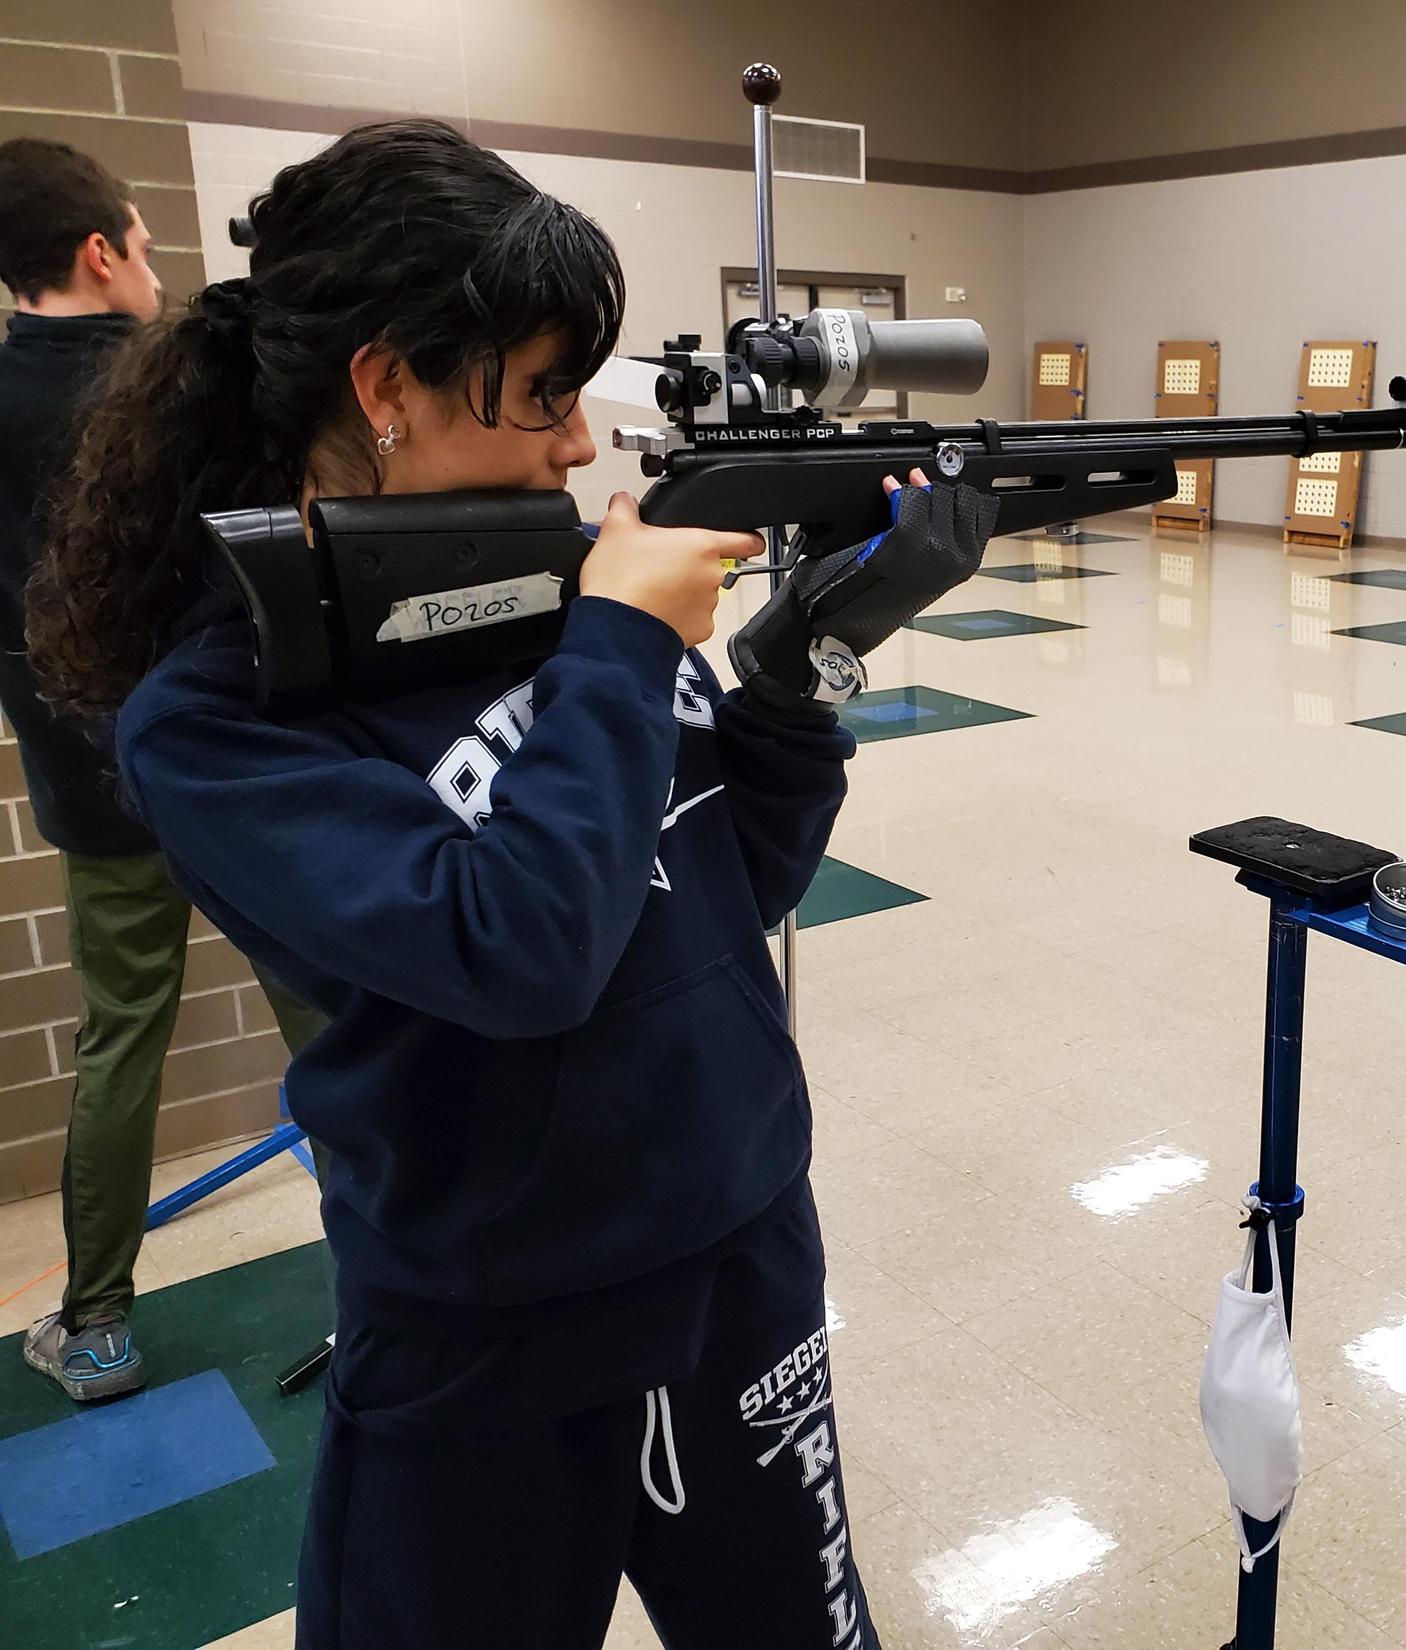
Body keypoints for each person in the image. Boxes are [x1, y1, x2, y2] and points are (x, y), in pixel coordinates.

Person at [29, 119, 994, 1648]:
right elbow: (519, 948)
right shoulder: (215, 719)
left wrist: (809, 657)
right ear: (387, 388)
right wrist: (619, 643)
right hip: (489, 1329)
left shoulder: (557, 592)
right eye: (544, 393)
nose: (577, 445)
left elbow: (730, 874)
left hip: (739, 1254)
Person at [0, 136, 327, 1402]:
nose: (152, 269)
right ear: (99, 251)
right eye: (141, 246)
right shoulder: (191, 383)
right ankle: (405, 1261)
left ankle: (95, 1327)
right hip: (238, 768)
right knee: (322, 1008)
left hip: (93, 793)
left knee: (118, 1041)